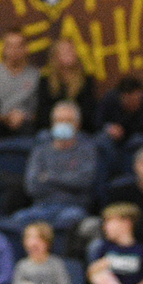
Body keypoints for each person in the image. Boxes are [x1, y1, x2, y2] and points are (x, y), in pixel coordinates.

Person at [17, 101, 98, 236]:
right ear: (52, 124)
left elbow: (84, 181)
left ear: (77, 125)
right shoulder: (40, 150)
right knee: (20, 218)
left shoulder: (87, 150)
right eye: (59, 121)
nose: (63, 124)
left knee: (70, 219)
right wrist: (67, 179)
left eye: (68, 121)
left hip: (73, 207)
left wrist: (49, 177)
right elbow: (32, 187)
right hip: (41, 207)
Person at [36, 37, 97, 131]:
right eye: (64, 51)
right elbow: (42, 114)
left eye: (71, 50)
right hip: (52, 132)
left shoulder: (86, 80)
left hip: (79, 131)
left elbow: (89, 112)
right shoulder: (45, 81)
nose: (69, 53)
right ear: (55, 56)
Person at [97, 76, 143, 145]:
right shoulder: (110, 99)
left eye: (135, 100)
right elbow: (96, 121)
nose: (131, 104)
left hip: (141, 143)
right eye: (128, 101)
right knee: (102, 139)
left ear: (141, 95)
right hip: (115, 142)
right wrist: (109, 128)